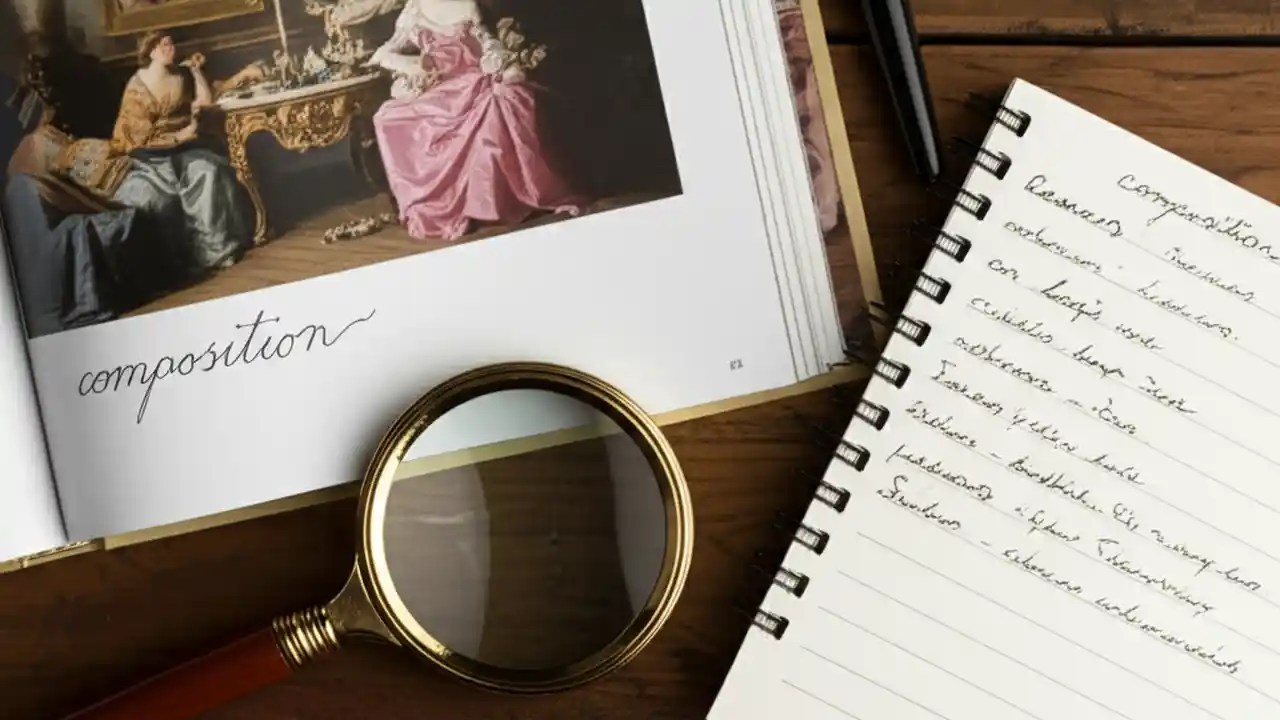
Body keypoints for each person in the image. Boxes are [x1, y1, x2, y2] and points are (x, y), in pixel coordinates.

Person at [367, 0, 584, 242]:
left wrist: (498, 63)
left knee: (498, 101)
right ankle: (428, 202)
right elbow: (383, 53)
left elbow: (488, 43)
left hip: (472, 80)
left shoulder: (466, 5)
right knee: (388, 117)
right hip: (439, 88)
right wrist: (414, 67)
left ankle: (486, 203)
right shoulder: (414, 10)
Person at [109, 31, 252, 275]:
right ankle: (178, 262)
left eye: (171, 44)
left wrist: (195, 71)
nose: (171, 49)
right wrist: (180, 135)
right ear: (151, 51)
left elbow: (205, 102)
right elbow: (139, 136)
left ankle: (214, 251)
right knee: (153, 197)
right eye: (164, 45)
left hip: (186, 149)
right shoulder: (138, 87)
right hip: (150, 155)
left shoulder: (180, 75)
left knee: (209, 172)